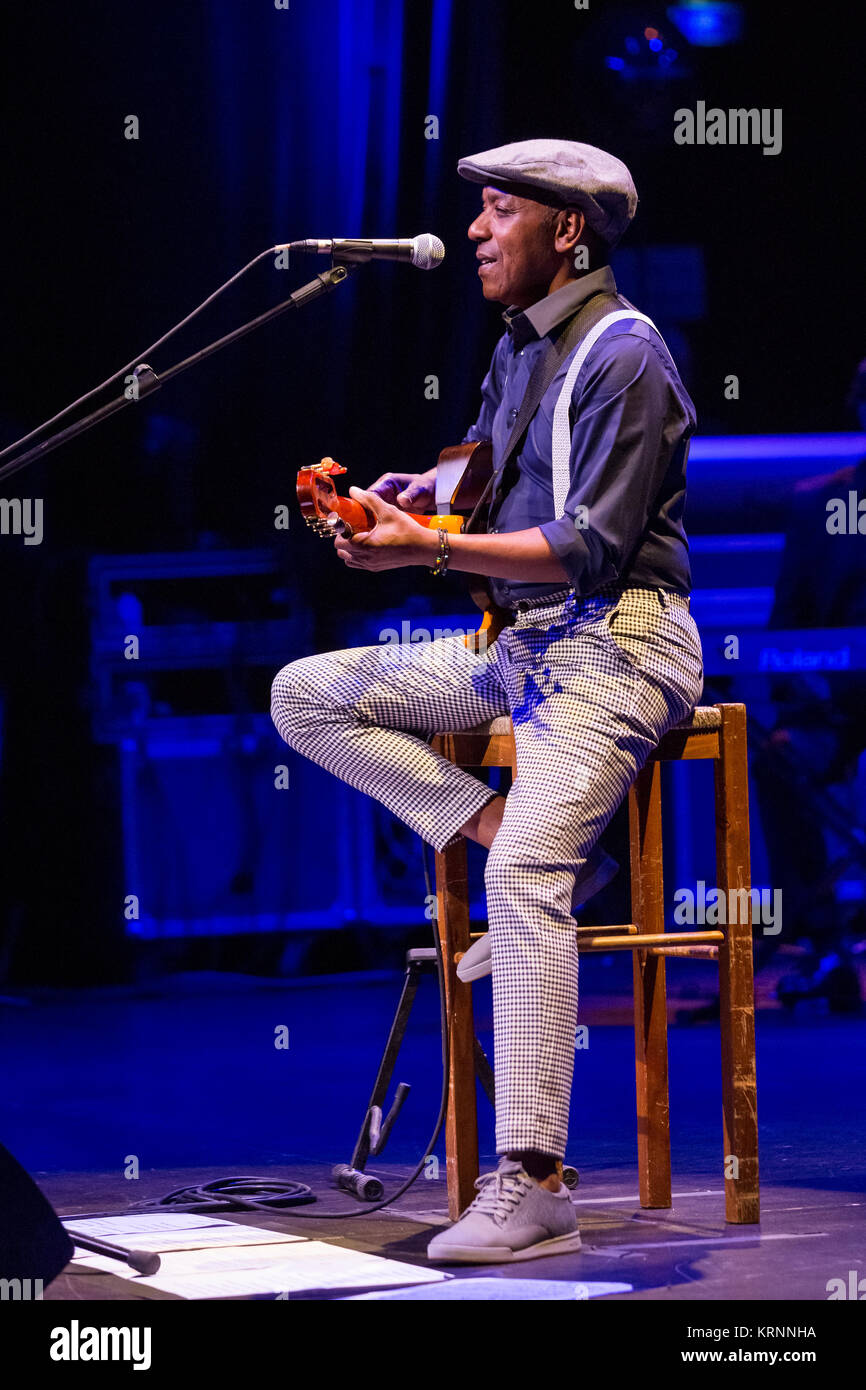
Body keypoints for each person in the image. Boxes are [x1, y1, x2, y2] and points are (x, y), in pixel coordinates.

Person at [271, 139, 703, 1263]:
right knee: (306, 694)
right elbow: (492, 486)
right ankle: (511, 829)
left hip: (616, 646)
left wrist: (433, 546)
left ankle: (533, 1180)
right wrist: (421, 500)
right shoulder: (518, 350)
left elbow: (590, 547)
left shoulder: (625, 353)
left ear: (567, 231)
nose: (472, 229)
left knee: (520, 886)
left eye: (499, 210)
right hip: (517, 649)